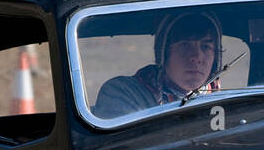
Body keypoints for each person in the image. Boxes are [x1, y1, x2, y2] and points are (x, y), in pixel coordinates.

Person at [94, 12, 224, 118]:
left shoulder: (225, 101)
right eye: (185, 45)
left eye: (206, 47)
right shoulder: (123, 93)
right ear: (163, 53)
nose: (196, 57)